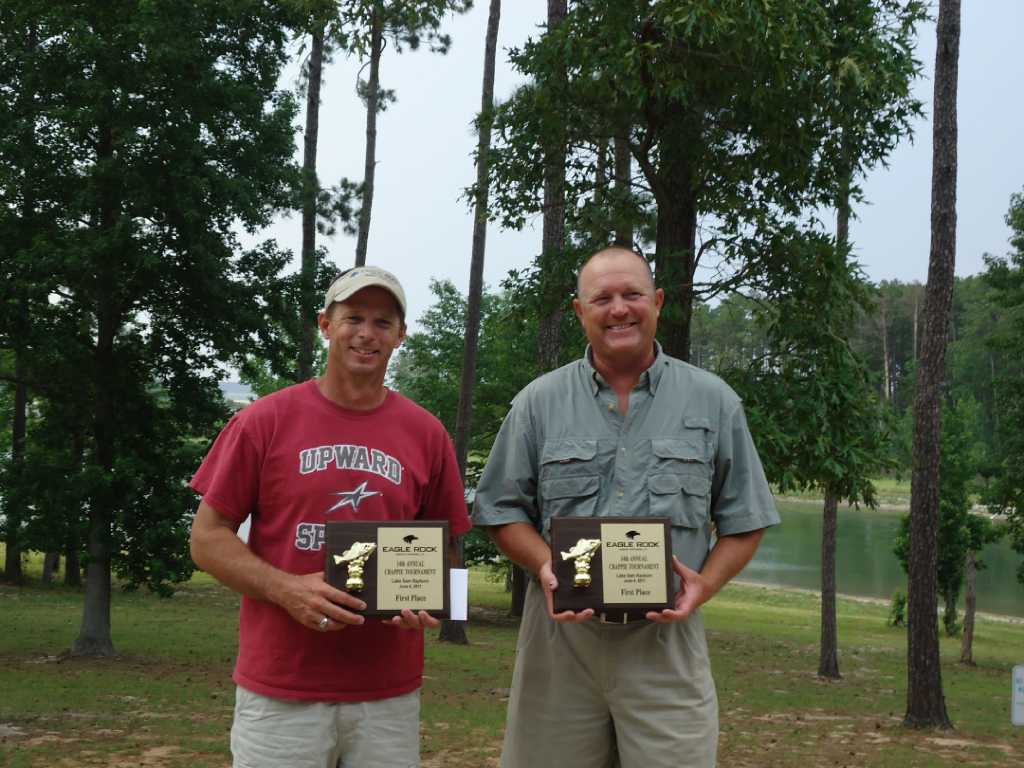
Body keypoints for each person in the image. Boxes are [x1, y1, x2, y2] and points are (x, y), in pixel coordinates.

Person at [472, 246, 780, 768]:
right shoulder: (537, 403)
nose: (619, 309)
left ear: (657, 302)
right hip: (559, 646)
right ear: (579, 311)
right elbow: (501, 510)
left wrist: (706, 583)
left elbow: (745, 519)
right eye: (603, 298)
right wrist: (546, 565)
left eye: (632, 294)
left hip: (666, 646)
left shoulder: (713, 401)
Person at [190, 266, 471, 768]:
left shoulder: (426, 433)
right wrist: (286, 588)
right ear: (325, 324)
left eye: (383, 322)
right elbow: (206, 538)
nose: (367, 333)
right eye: (353, 317)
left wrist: (442, 601)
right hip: (282, 689)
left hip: (386, 693)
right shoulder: (263, 421)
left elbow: (447, 545)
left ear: (400, 335)